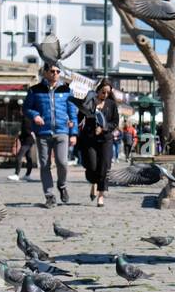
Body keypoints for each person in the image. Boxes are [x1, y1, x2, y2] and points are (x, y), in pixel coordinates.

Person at [23, 64, 78, 208]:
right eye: (52, 71)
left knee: (62, 162)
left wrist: (74, 133)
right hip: (43, 133)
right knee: (45, 165)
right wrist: (35, 115)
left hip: (62, 131)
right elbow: (26, 108)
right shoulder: (35, 90)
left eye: (57, 71)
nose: (55, 73)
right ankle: (49, 196)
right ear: (45, 72)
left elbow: (73, 113)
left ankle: (62, 185)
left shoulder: (66, 90)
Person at [79, 79, 119, 208]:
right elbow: (79, 116)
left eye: (108, 92)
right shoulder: (89, 101)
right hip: (90, 138)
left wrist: (104, 128)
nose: (105, 95)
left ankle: (101, 195)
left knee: (104, 167)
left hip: (106, 140)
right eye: (103, 92)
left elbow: (115, 122)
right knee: (92, 165)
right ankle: (94, 183)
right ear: (98, 90)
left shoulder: (111, 104)